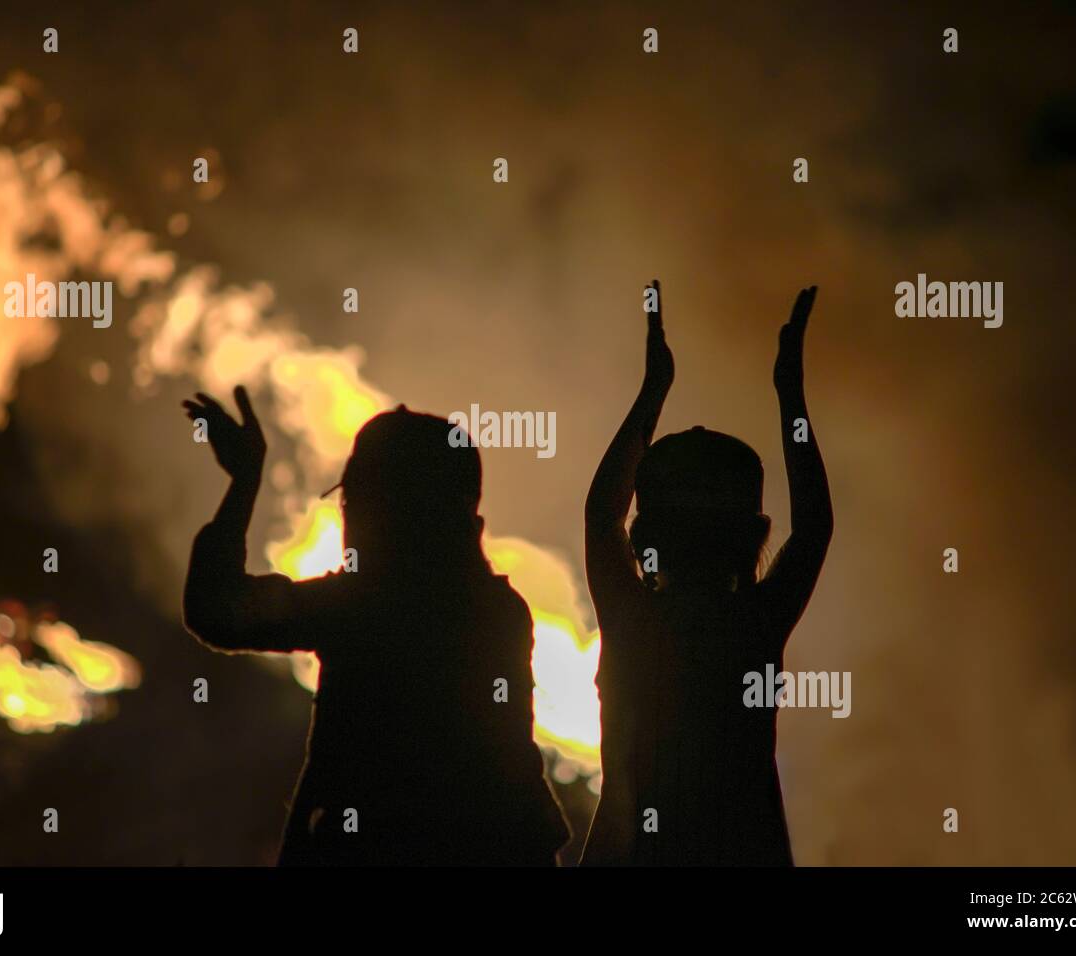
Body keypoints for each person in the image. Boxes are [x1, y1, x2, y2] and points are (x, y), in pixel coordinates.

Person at [181, 391, 569, 865]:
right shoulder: (501, 610)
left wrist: (244, 480)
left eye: (355, 498)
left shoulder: (360, 605)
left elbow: (218, 610)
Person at [581, 282, 833, 865]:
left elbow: (600, 515)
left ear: (649, 539)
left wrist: (652, 392)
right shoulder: (755, 623)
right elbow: (815, 525)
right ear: (751, 537)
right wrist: (790, 396)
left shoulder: (633, 618)